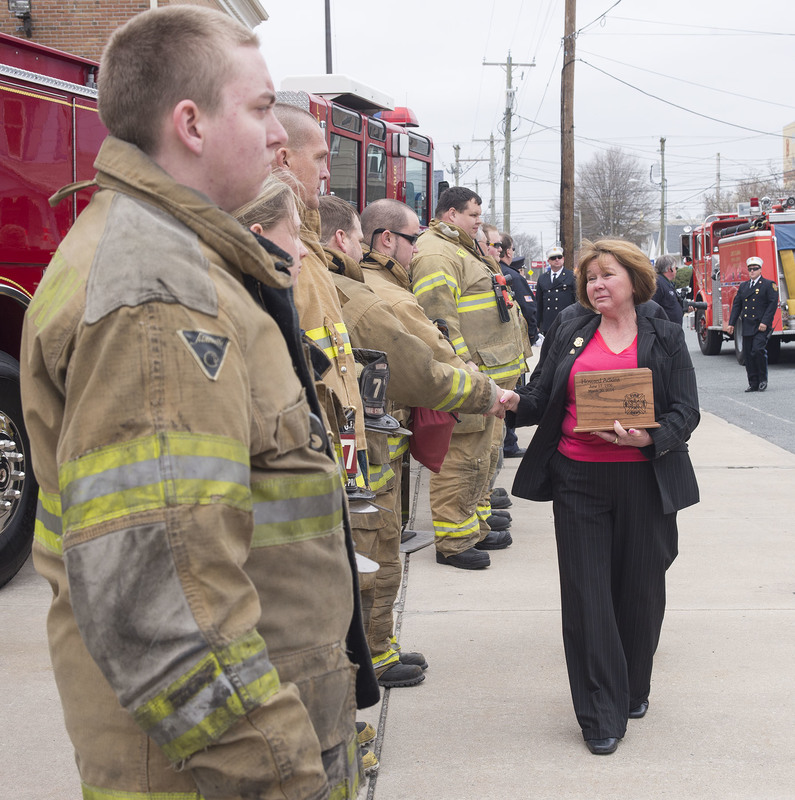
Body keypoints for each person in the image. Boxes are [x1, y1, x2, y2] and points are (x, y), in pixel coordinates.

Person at [19, 8, 378, 798]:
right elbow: (165, 604)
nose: (279, 136)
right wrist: (283, 777)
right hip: (213, 772)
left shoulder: (188, 263)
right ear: (190, 123)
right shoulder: (160, 298)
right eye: (259, 109)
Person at [509, 238, 700, 756]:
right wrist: (506, 401)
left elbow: (686, 409)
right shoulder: (570, 327)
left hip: (644, 478)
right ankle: (600, 713)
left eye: (607, 275)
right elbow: (541, 396)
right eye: (590, 277)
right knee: (587, 593)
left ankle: (633, 685)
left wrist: (649, 437)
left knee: (639, 591)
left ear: (633, 280)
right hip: (578, 479)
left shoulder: (663, 331)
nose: (596, 285)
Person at [319, 195, 515, 679]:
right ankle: (372, 661)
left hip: (366, 446)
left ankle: (378, 653)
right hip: (363, 451)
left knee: (381, 547)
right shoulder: (368, 296)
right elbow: (424, 365)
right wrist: (482, 390)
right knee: (377, 552)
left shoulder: (347, 287)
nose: (415, 250)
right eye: (408, 240)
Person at [411, 186, 526, 569]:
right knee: (461, 458)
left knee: (483, 455)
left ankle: (473, 525)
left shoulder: (462, 246)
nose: (480, 223)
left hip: (491, 375)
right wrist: (462, 367)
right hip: (472, 376)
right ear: (450, 215)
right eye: (474, 216)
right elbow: (437, 319)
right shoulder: (436, 252)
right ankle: (454, 542)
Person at [273, 102, 370, 496]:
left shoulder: (305, 242)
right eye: (319, 158)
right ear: (284, 159)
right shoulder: (275, 243)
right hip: (317, 448)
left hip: (342, 435)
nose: (327, 172)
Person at [727, 256, 778, 392]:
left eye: (755, 269)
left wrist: (765, 322)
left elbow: (772, 305)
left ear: (760, 270)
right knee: (748, 355)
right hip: (747, 325)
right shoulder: (744, 286)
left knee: (758, 350)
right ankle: (753, 382)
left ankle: (762, 380)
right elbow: (737, 305)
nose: (752, 271)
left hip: (760, 325)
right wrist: (731, 323)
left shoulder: (768, 285)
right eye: (750, 269)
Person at [536, 245, 576, 333]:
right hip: (548, 323)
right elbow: (539, 303)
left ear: (563, 259)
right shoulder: (542, 278)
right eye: (553, 258)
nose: (557, 259)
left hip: (566, 321)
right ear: (548, 261)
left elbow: (577, 300)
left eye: (559, 257)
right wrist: (537, 324)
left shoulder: (571, 276)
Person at [651, 254, 684, 325]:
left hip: (672, 329)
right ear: (670, 269)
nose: (676, 271)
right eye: (676, 268)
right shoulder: (658, 283)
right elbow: (652, 306)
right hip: (665, 329)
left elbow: (670, 305)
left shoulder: (667, 283)